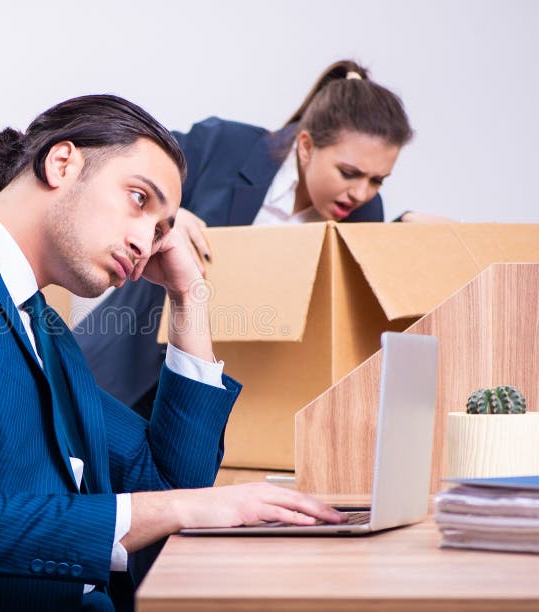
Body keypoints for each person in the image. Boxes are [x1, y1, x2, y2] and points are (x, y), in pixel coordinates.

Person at [0, 94, 345, 611]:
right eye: (138, 199)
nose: (145, 241)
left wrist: (187, 295)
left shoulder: (39, 324)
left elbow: (168, 483)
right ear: (62, 164)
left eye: (160, 229)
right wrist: (186, 507)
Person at [76, 60, 434, 419]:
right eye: (349, 173)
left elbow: (351, 301)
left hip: (227, 407)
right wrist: (164, 213)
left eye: (377, 180)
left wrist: (402, 231)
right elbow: (116, 173)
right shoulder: (223, 144)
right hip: (119, 370)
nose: (361, 193)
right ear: (306, 146)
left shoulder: (364, 213)